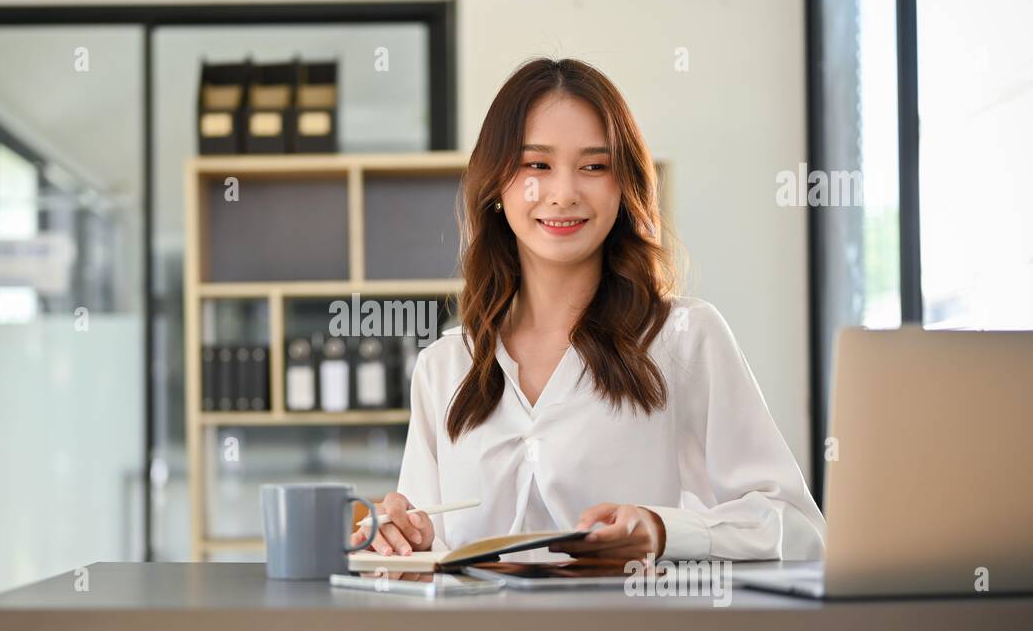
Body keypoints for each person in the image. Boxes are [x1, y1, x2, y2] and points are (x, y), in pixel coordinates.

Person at [350, 58, 826, 564]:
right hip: (480, 622)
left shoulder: (685, 338)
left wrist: (664, 531)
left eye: (595, 167)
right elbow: (424, 554)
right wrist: (404, 543)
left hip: (629, 619)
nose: (563, 194)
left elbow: (799, 530)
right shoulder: (445, 367)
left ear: (624, 187)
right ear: (497, 185)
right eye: (537, 166)